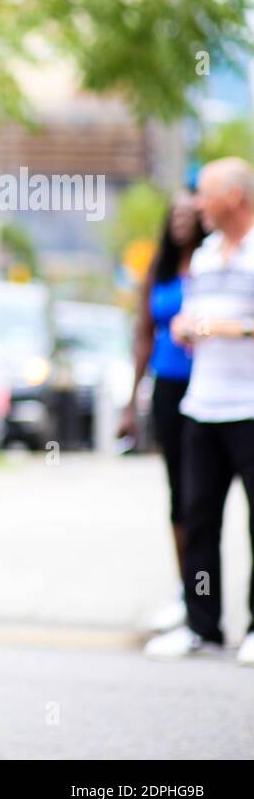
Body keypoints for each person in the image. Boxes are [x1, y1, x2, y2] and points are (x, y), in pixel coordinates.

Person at [145, 157, 254, 665]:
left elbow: (233, 324)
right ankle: (201, 624)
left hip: (249, 408)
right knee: (198, 518)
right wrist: (189, 326)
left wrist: (225, 327)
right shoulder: (206, 255)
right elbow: (194, 318)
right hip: (202, 405)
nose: (197, 204)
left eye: (205, 194)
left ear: (234, 197)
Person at [120, 191, 206, 632]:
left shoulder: (215, 263)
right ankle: (189, 591)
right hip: (170, 389)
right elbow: (142, 335)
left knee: (204, 498)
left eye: (189, 215)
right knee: (180, 495)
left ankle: (207, 595)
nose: (180, 222)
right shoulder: (160, 269)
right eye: (173, 215)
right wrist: (132, 399)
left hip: (212, 390)